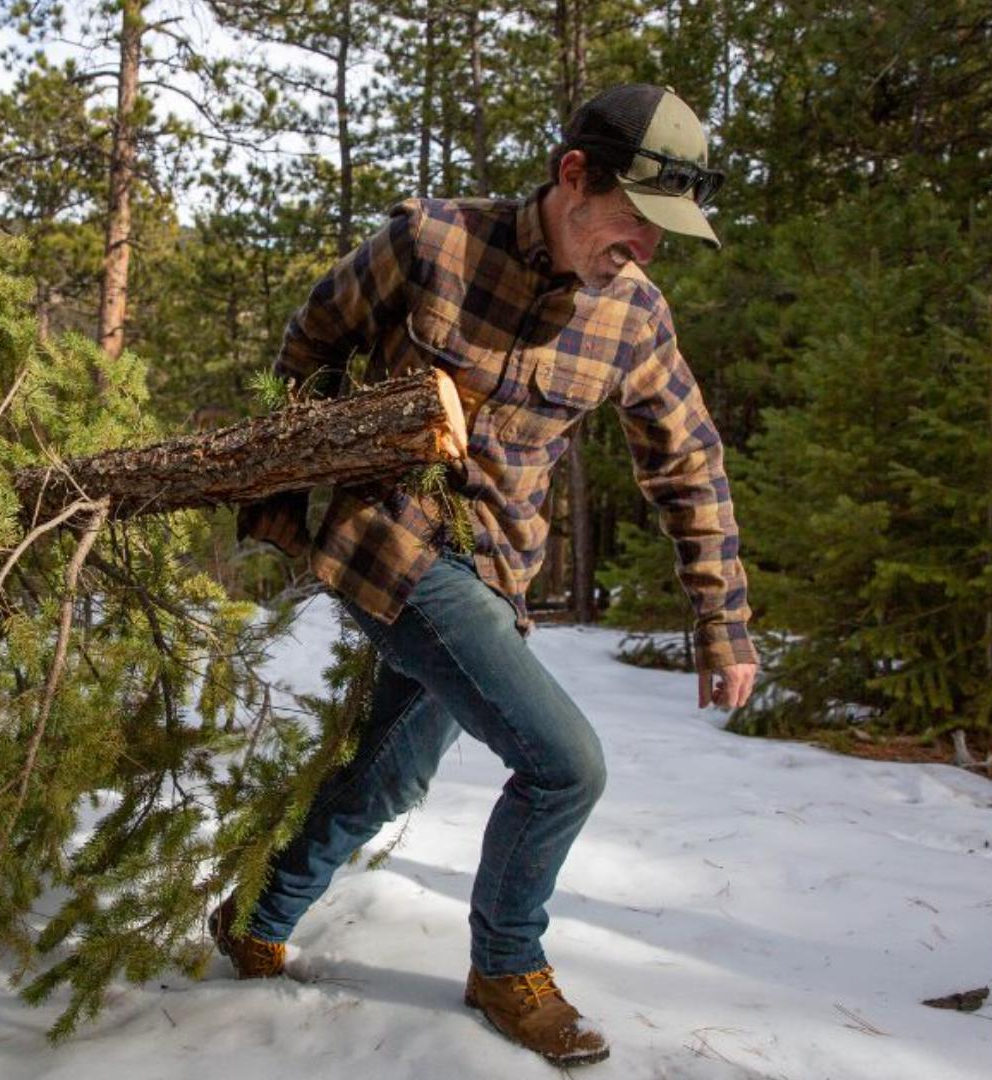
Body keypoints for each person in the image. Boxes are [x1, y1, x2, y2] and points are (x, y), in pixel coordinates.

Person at [211, 84, 760, 1067]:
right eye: (637, 218)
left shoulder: (634, 315)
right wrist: (284, 492)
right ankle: (507, 966)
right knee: (565, 767)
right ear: (575, 176)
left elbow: (689, 464)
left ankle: (255, 914)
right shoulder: (433, 243)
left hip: (497, 568)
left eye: (665, 230)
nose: (647, 245)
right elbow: (312, 341)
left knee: (390, 777)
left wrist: (723, 623)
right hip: (391, 544)